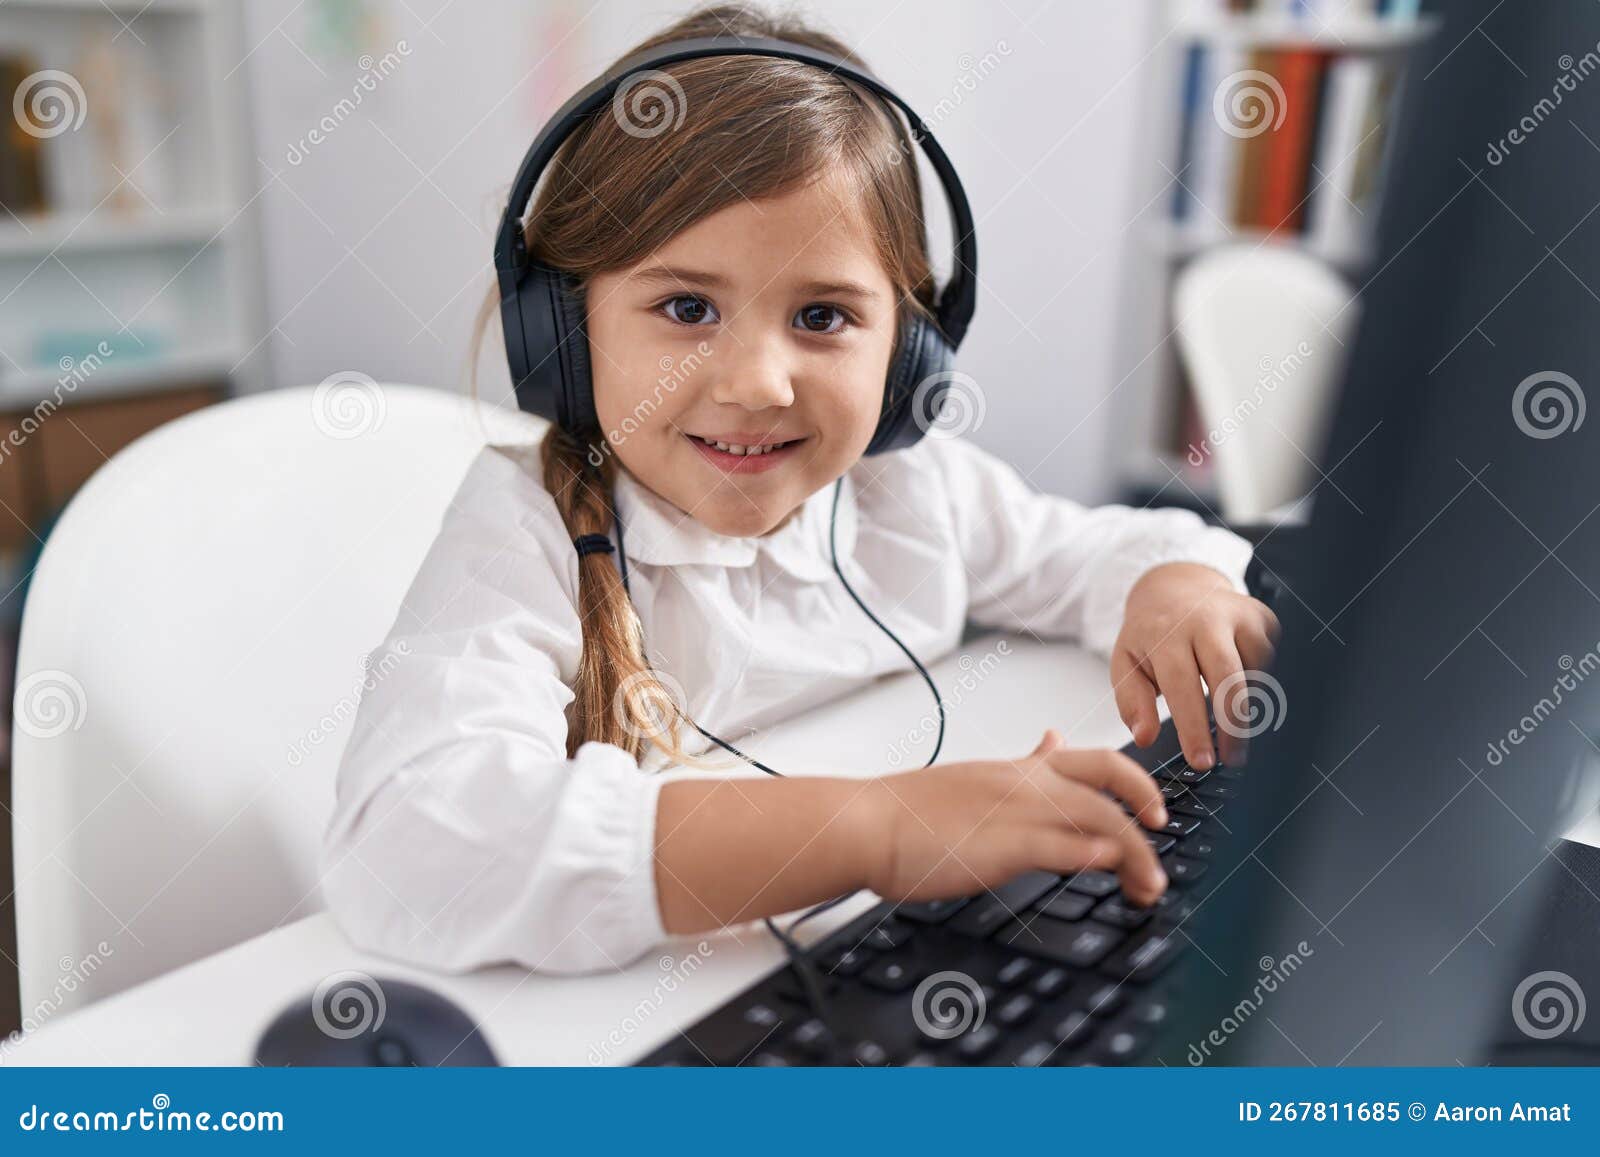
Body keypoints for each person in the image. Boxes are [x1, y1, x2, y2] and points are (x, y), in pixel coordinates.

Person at [321, 4, 1279, 976]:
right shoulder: (522, 532)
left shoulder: (908, 490)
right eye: (686, 306)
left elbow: (1096, 556)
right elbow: (409, 850)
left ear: (908, 355)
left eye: (822, 315)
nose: (756, 383)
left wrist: (1178, 584)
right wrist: (872, 828)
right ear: (564, 332)